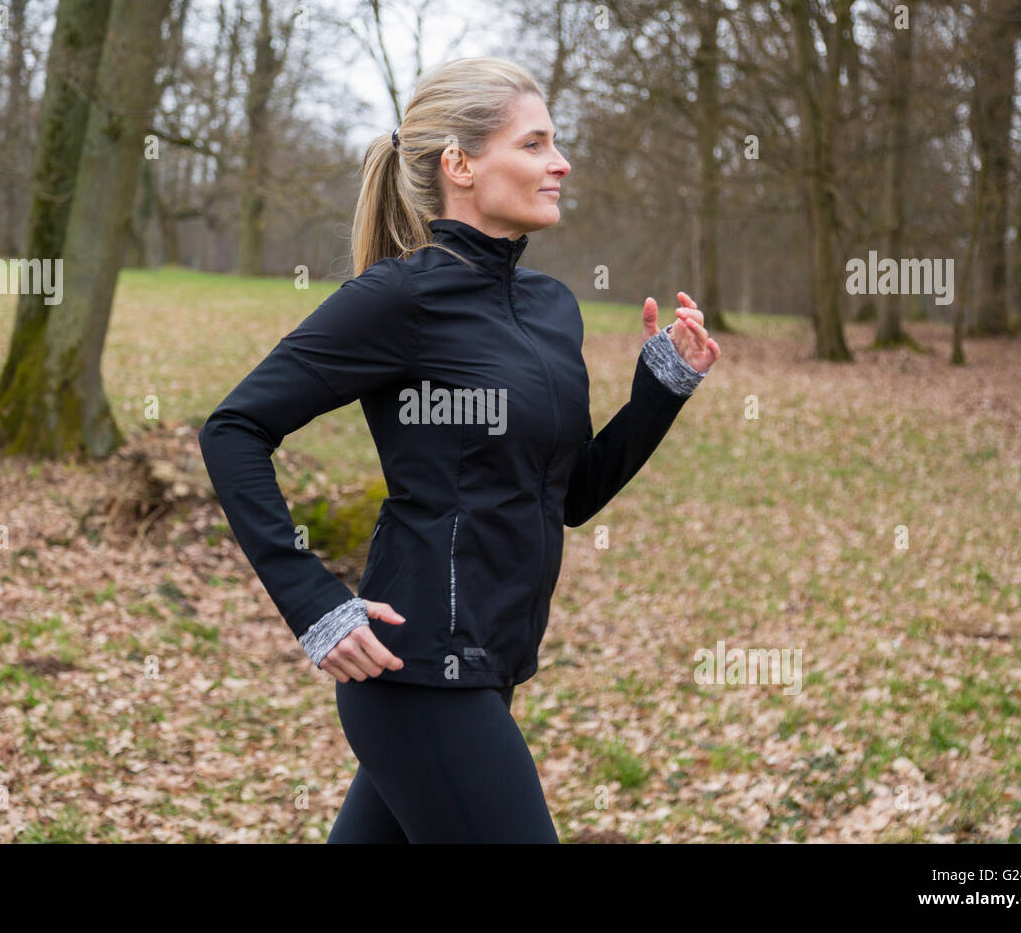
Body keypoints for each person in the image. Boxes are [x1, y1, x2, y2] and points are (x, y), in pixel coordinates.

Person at [198, 56, 721, 843]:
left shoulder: (551, 308)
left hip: (494, 662)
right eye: (536, 143)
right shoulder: (401, 298)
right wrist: (315, 606)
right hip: (415, 670)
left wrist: (662, 388)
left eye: (556, 143)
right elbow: (234, 429)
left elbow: (569, 495)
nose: (561, 162)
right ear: (461, 164)